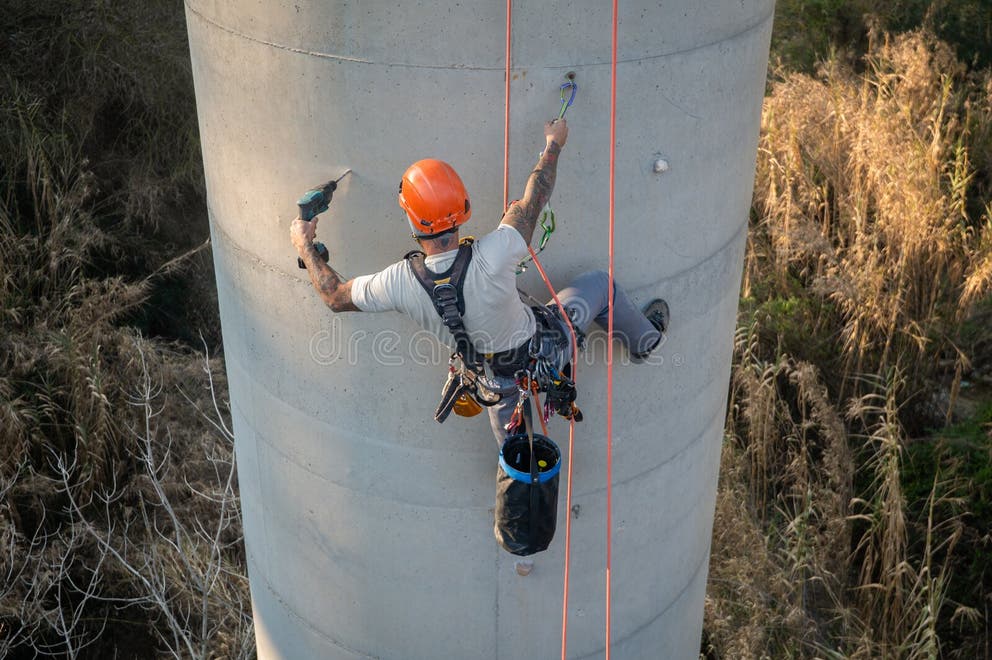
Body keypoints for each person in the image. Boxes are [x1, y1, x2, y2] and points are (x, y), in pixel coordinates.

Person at [290, 118, 669, 444]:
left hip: (494, 386)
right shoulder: (498, 249)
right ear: (462, 209)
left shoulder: (399, 281)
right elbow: (535, 195)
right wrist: (553, 143)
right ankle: (644, 341)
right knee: (599, 285)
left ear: (411, 221)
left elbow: (335, 296)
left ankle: (518, 513)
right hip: (546, 353)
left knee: (514, 459)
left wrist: (306, 246)